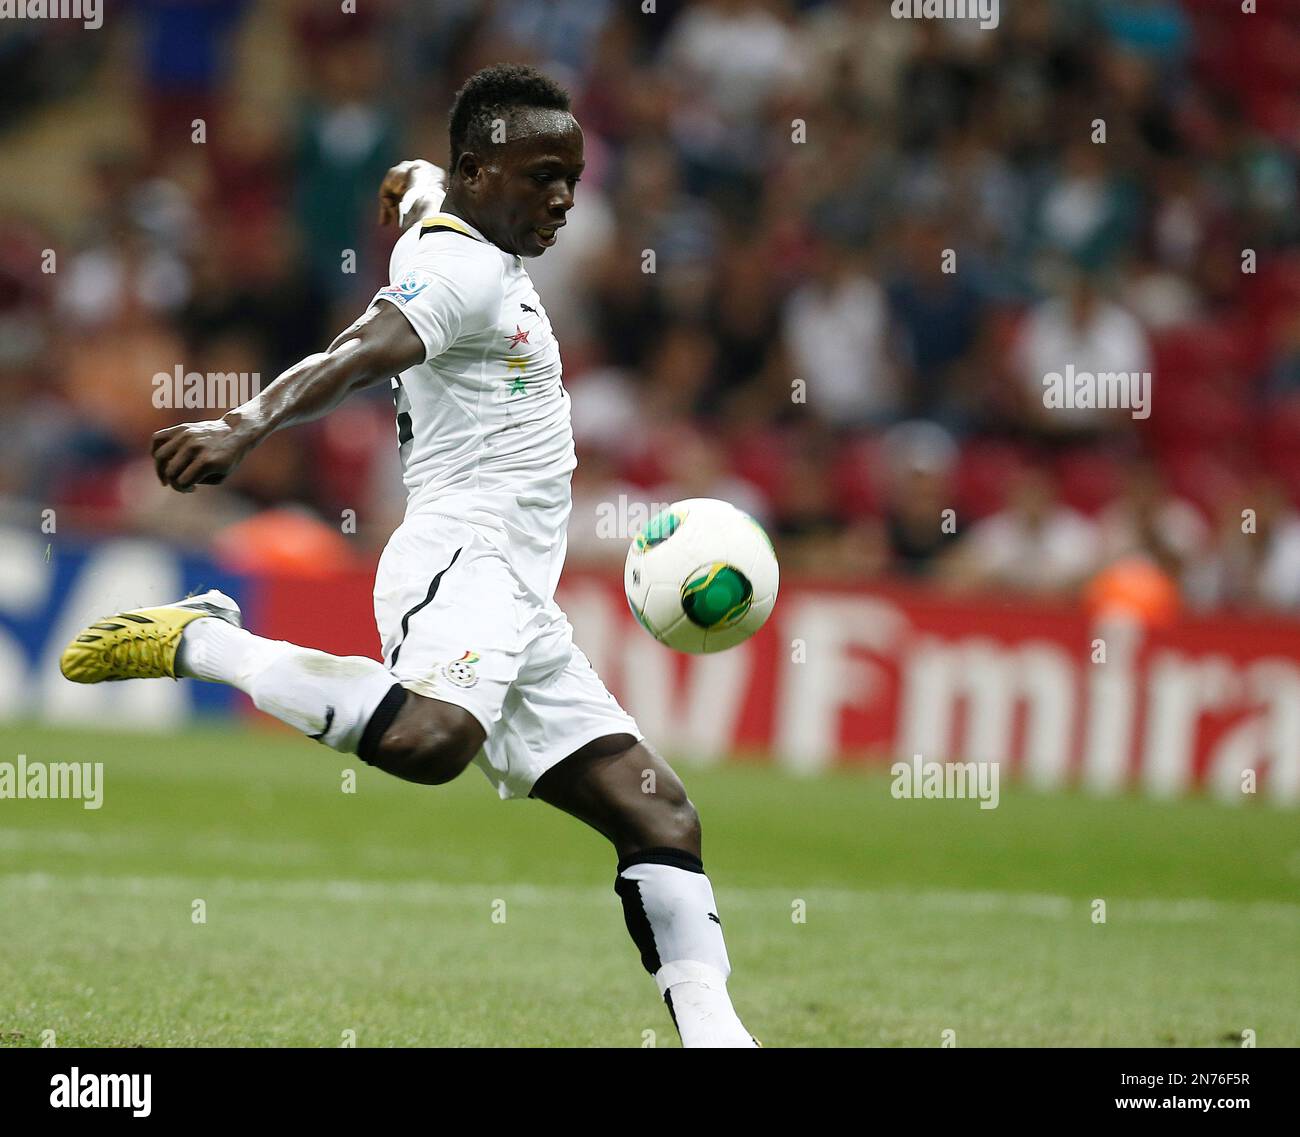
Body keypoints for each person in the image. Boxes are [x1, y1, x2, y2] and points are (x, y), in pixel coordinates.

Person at [60, 63, 758, 1049]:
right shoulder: (464, 271)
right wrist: (242, 424)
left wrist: (415, 180)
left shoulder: (464, 232)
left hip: (521, 596)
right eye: (543, 176)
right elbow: (363, 346)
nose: (564, 197)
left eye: (571, 177)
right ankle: (207, 642)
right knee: (431, 742)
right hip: (462, 554)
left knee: (660, 817)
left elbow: (433, 200)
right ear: (482, 173)